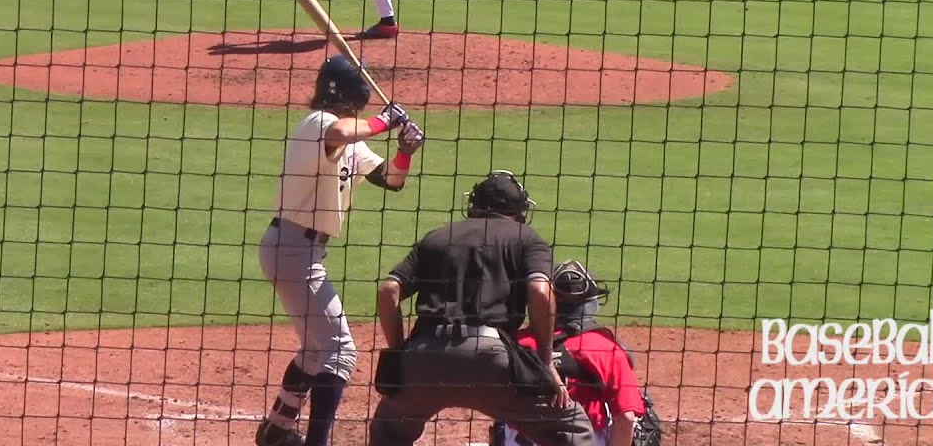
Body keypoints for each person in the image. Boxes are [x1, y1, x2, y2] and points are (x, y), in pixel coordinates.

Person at [255, 54, 427, 446]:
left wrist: (405, 150)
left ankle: (277, 429)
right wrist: (385, 120)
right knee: (341, 351)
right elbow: (342, 131)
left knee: (317, 349)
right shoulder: (318, 123)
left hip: (298, 251)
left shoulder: (350, 140)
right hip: (292, 248)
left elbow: (392, 180)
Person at [366, 171, 598, 446]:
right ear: (520, 210)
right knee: (572, 428)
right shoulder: (527, 238)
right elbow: (539, 290)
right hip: (491, 363)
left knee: (388, 432)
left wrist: (398, 354)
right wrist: (546, 362)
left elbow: (388, 290)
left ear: (473, 205)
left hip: (423, 359)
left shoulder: (437, 237)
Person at [492, 260, 653, 446]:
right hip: (585, 440)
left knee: (504, 423)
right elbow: (625, 418)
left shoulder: (516, 344)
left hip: (523, 439)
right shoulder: (606, 347)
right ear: (589, 304)